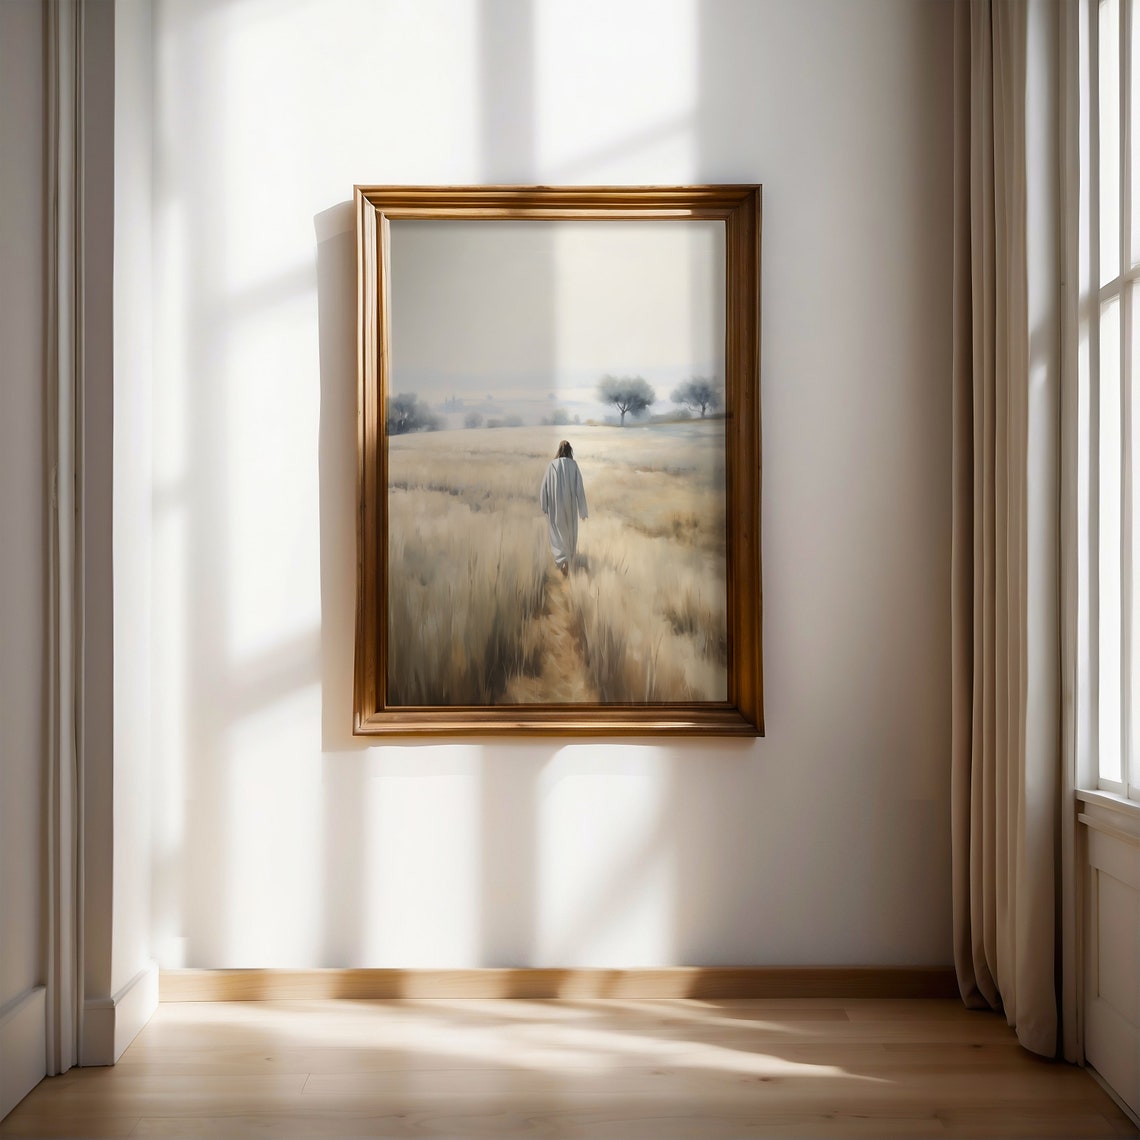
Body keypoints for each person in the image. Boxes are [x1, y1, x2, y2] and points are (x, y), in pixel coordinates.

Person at [539, 440, 588, 575]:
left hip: (555, 508)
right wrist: (583, 511)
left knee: (557, 533)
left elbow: (544, 487)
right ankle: (568, 562)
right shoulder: (574, 465)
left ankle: (562, 562)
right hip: (570, 508)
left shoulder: (551, 465)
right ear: (570, 451)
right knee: (570, 533)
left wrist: (544, 505)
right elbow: (580, 489)